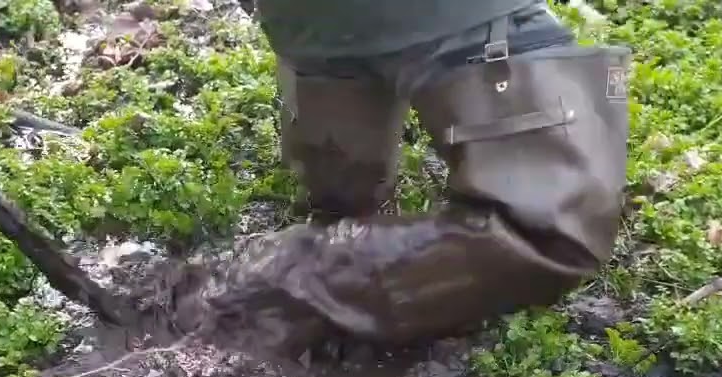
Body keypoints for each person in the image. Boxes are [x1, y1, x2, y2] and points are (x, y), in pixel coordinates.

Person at [191, 0, 631, 354]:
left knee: (340, 193)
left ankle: (275, 280)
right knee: (552, 231)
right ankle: (276, 283)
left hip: (307, 32)